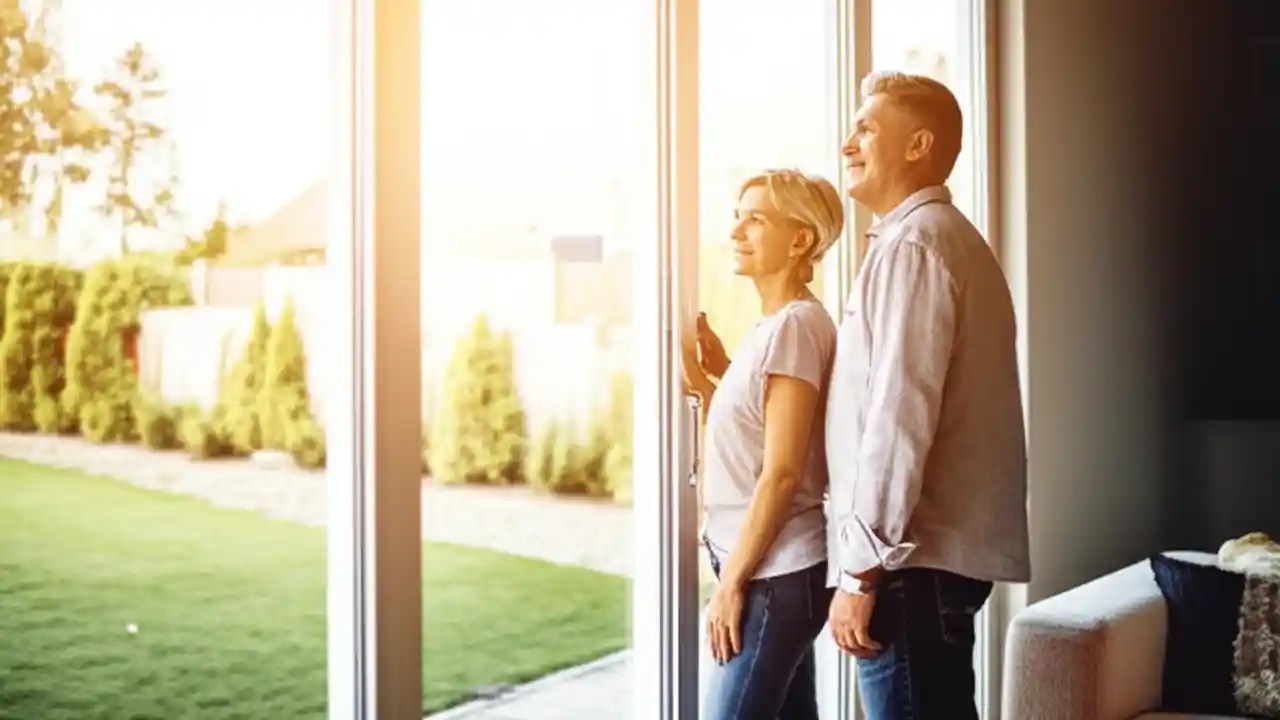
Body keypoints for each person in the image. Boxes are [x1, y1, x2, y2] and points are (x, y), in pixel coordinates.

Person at [823, 71, 1031, 720]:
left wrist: (862, 572)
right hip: (923, 562)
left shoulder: (917, 245)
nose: (847, 143)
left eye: (866, 128)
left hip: (907, 566)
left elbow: (898, 419)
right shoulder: (937, 240)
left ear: (918, 145)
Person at [684, 168, 844, 720]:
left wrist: (730, 586)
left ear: (799, 240)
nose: (737, 231)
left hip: (774, 576)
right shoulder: (774, 326)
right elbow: (754, 428)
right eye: (737, 216)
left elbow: (781, 471)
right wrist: (713, 377)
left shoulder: (795, 327)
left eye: (756, 218)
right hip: (771, 571)